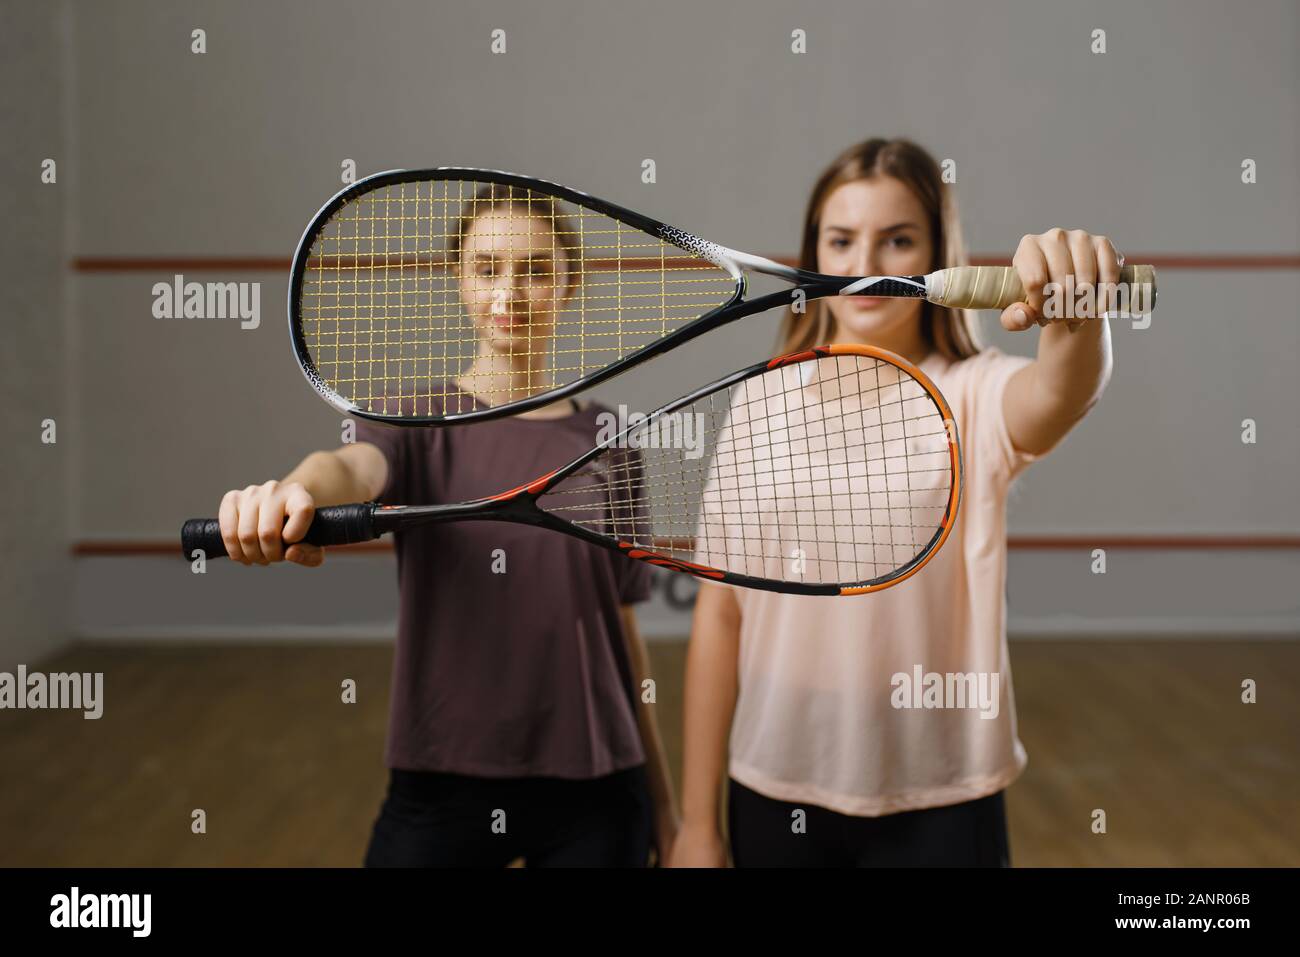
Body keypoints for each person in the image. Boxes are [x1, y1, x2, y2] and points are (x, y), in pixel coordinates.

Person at [669, 138, 1118, 867]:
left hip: (943, 795)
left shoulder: (975, 394)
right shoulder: (758, 402)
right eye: (841, 240)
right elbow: (721, 614)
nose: (865, 262)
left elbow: (1067, 389)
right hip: (775, 787)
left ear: (939, 255)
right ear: (813, 250)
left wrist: (1079, 310)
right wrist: (696, 824)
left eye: (898, 239)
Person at [217, 184, 679, 867]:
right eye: (488, 268)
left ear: (570, 283)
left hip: (595, 784)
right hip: (442, 779)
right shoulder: (413, 420)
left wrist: (669, 812)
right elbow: (348, 468)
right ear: (459, 280)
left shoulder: (610, 440)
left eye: (536, 270)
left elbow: (623, 636)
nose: (510, 292)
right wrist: (293, 492)